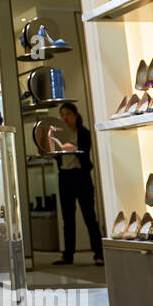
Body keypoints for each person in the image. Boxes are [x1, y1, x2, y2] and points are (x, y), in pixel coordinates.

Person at [47, 101, 104, 266]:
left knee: (89, 217)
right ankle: (68, 255)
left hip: (81, 176)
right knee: (67, 218)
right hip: (65, 177)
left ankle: (99, 254)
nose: (64, 118)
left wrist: (71, 148)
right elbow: (54, 152)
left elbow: (84, 151)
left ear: (75, 116)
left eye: (68, 114)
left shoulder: (84, 132)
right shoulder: (58, 134)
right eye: (62, 114)